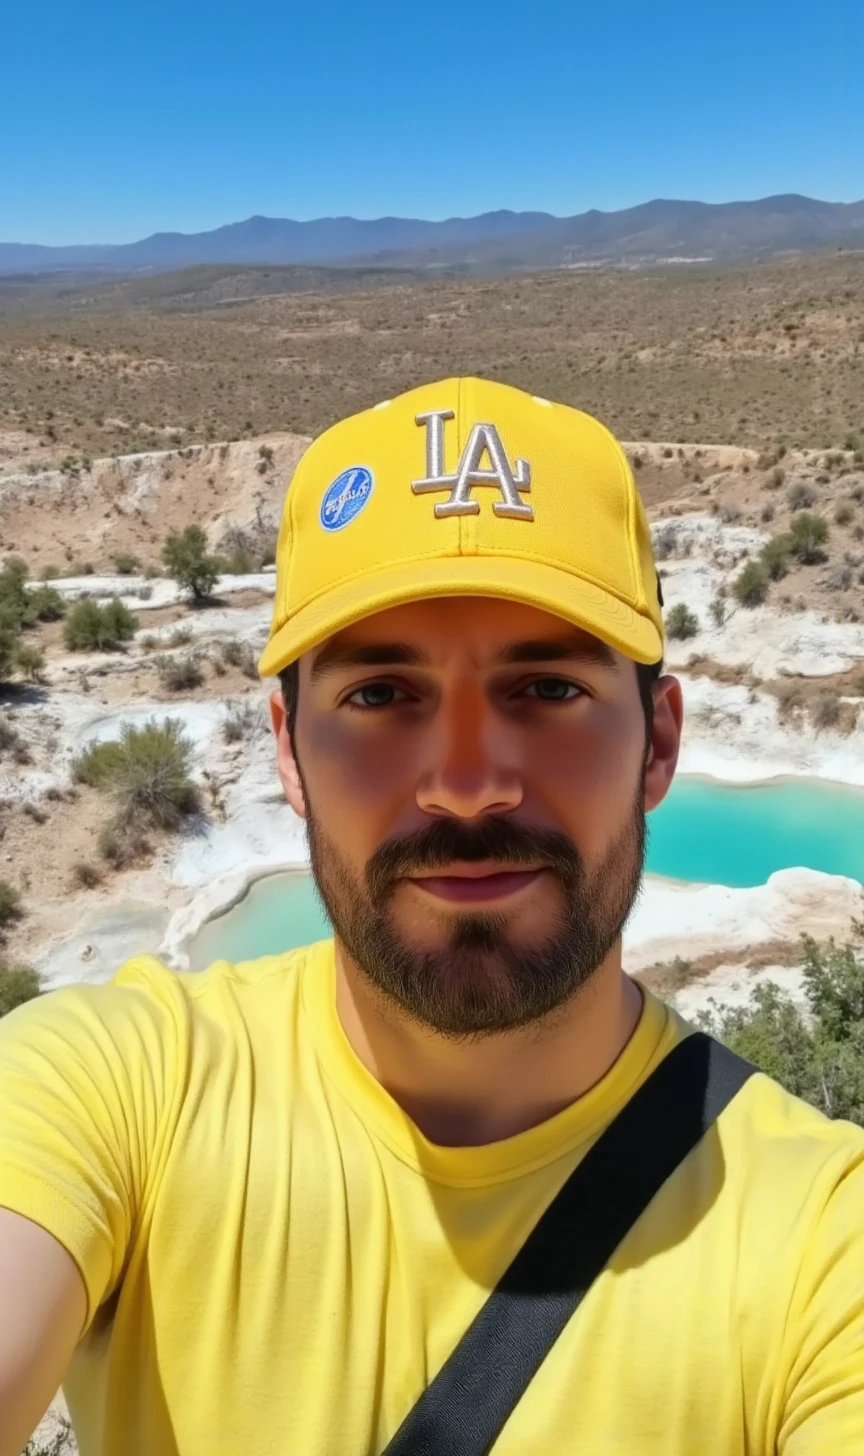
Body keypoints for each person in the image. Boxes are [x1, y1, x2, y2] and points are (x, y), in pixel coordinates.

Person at [1, 378, 862, 1456]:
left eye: (546, 690)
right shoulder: (115, 1086)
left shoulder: (824, 1243)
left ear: (658, 744)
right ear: (287, 750)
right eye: (380, 696)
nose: (464, 783)